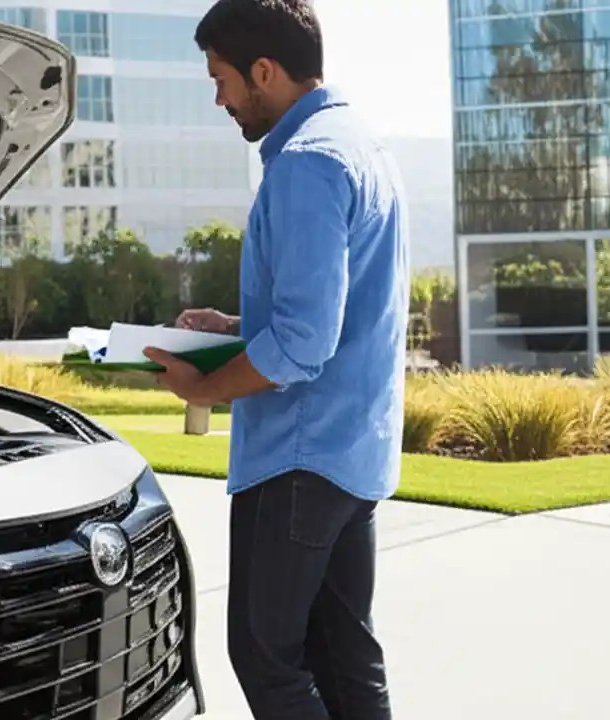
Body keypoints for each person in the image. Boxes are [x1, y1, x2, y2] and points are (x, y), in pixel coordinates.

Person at [141, 1, 408, 718]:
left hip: (298, 460)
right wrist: (234, 325)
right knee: (347, 658)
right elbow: (329, 311)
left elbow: (301, 344)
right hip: (352, 455)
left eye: (222, 78)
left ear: (264, 71)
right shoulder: (359, 143)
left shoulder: (305, 164)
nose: (219, 97)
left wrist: (205, 384)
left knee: (265, 656)